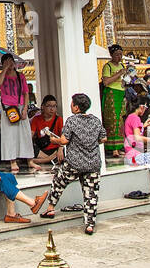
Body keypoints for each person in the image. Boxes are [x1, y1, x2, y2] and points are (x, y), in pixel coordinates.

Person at [39, 93, 105, 234]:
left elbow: (63, 141)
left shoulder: (72, 120)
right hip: (93, 162)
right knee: (91, 194)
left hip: (74, 162)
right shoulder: (95, 120)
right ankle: (90, 224)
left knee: (58, 182)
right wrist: (91, 142)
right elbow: (103, 138)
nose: (70, 105)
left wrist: (53, 140)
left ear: (76, 107)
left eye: (72, 103)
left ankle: (50, 209)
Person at [0, 54, 32, 175]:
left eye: (11, 62)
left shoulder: (21, 76)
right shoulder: (1, 76)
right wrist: (5, 69)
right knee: (9, 135)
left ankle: (29, 160)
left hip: (20, 107)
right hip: (8, 109)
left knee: (25, 134)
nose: (10, 64)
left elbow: (26, 93)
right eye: (7, 62)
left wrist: (25, 109)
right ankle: (12, 161)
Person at [29, 96, 64, 172]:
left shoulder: (59, 120)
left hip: (55, 150)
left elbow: (63, 136)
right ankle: (48, 159)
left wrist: (60, 149)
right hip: (42, 150)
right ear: (42, 107)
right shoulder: (36, 119)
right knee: (28, 146)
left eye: (54, 106)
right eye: (49, 106)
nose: (52, 109)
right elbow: (30, 136)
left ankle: (41, 160)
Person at [101, 44, 126, 148]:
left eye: (120, 55)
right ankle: (112, 147)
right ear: (112, 55)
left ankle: (119, 146)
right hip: (111, 93)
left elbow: (123, 80)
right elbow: (106, 82)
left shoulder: (122, 66)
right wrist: (118, 74)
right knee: (112, 119)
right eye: (116, 55)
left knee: (120, 120)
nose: (119, 57)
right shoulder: (108, 66)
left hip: (120, 92)